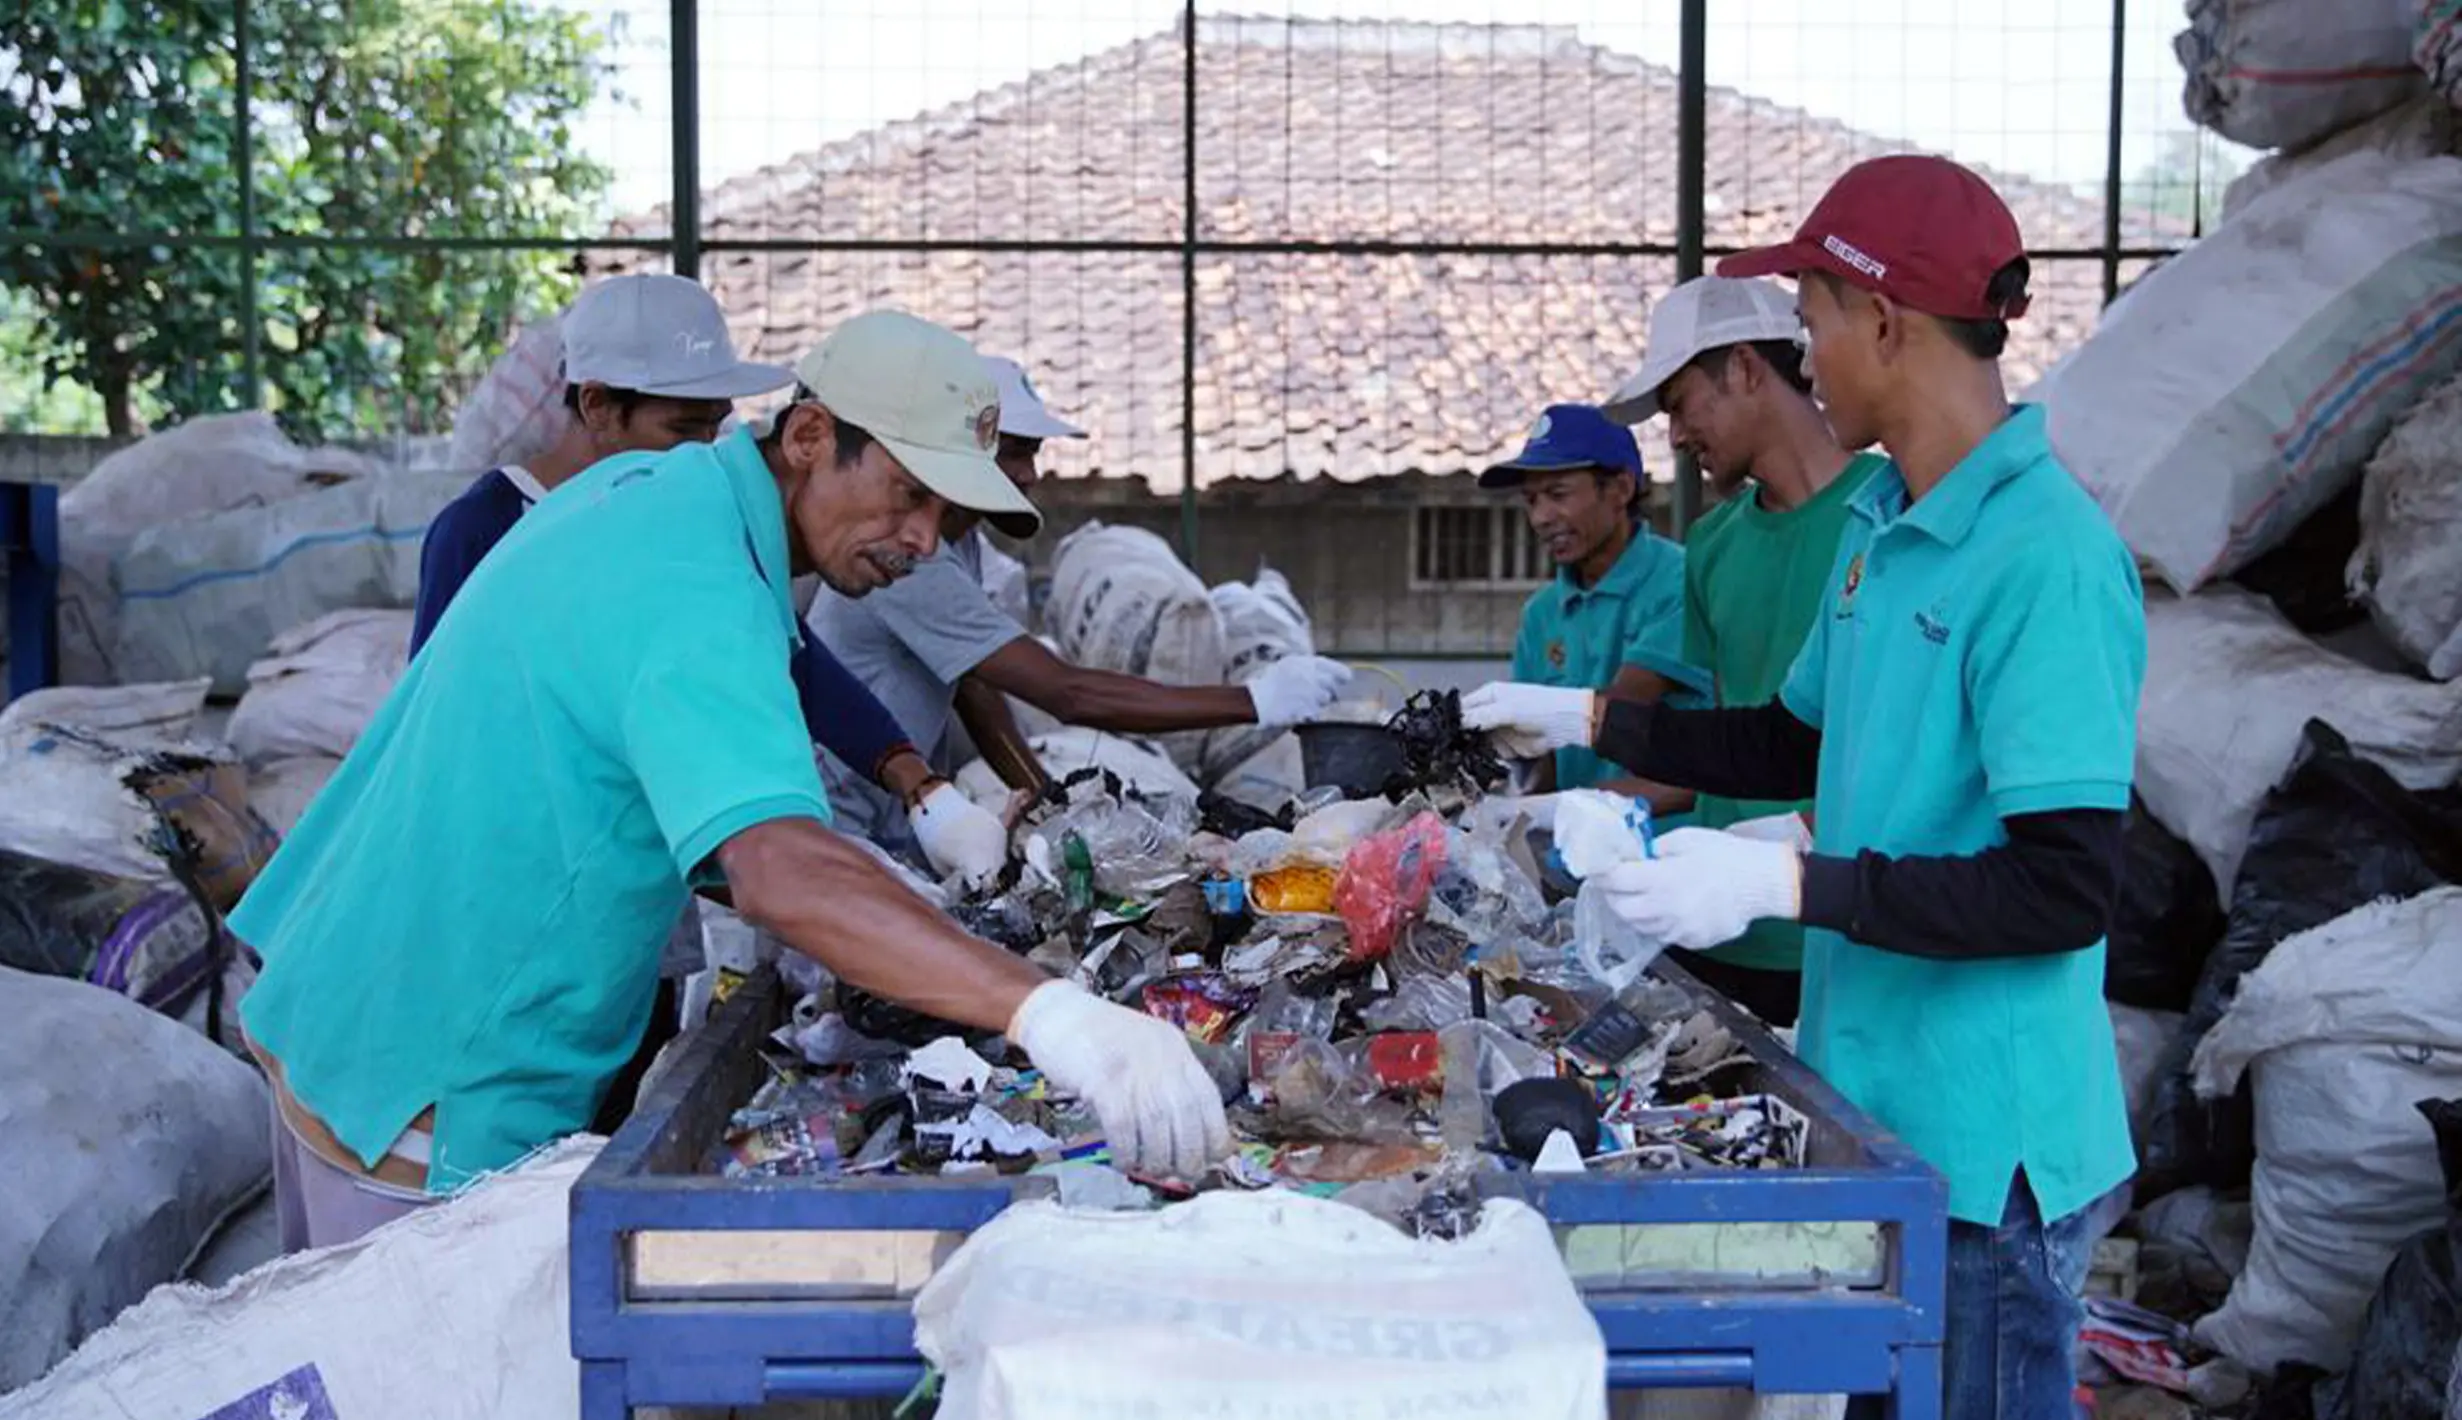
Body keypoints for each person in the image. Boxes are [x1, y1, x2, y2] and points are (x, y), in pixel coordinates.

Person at [236, 310, 1230, 1252]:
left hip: (356, 996)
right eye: (908, 494)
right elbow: (773, 872)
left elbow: (673, 786)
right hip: (428, 1056)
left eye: (946, 513)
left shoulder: (668, 506)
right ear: (807, 435)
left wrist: (895, 871)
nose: (925, 539)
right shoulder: (693, 579)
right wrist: (1048, 1012)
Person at [1461, 155, 2142, 1419]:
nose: (1803, 348)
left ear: (1880, 319)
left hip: (1986, 1149)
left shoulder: (2043, 555)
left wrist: (1784, 880)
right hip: (1871, 1105)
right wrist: (1587, 722)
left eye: (1813, 315)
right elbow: (1786, 742)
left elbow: (2061, 888)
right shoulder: (1881, 528)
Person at [408, 275, 1012, 1133]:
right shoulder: (589, 538)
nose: (924, 539)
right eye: (681, 427)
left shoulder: (693, 532)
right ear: (598, 407)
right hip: (486, 962)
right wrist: (1037, 1008)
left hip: (593, 934)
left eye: (714, 424)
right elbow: (467, 748)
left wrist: (920, 787)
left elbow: (795, 666)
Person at [804, 353, 1353, 863]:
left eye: (1032, 453)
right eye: (1014, 451)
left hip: (888, 812)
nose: (1030, 475)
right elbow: (1068, 692)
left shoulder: (959, 547)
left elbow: (976, 687)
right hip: (833, 822)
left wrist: (1042, 797)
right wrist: (1254, 699)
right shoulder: (911, 561)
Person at [1594, 275, 1888, 1028]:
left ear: (1747, 369)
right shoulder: (1712, 546)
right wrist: (1601, 808)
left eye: (1682, 404)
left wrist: (1794, 843)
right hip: (1710, 923)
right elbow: (1735, 738)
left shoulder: (1888, 520)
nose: (1677, 436)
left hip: (1835, 921)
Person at [1475, 403, 1705, 804]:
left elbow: (1619, 708)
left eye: (1557, 494)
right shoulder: (1542, 614)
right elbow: (1544, 756)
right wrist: (1521, 813)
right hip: (1575, 847)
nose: (1541, 517)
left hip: (1670, 845)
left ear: (1620, 489)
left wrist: (1564, 807)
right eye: (1531, 501)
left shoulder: (1680, 581)